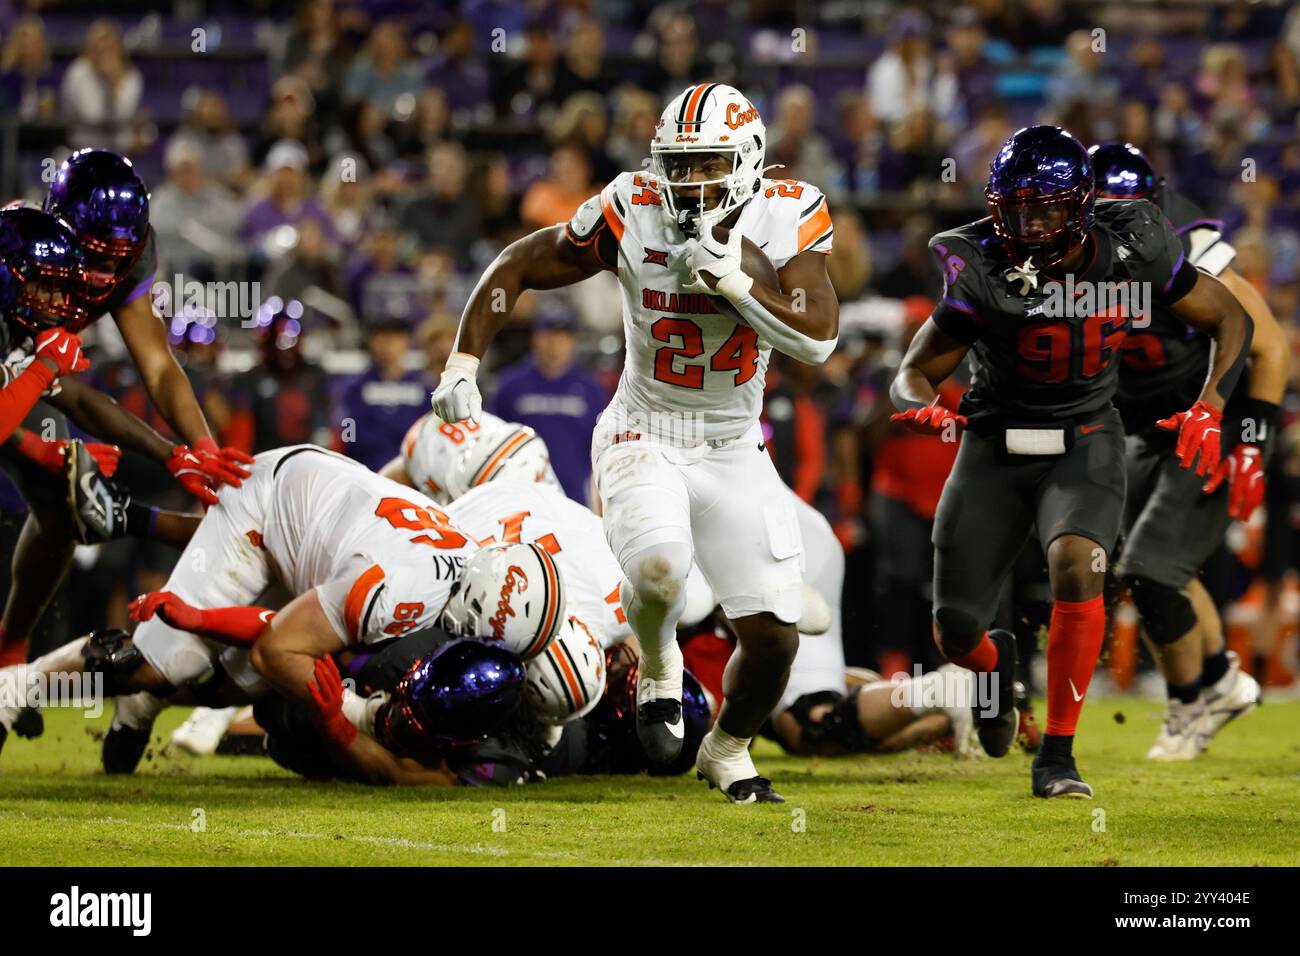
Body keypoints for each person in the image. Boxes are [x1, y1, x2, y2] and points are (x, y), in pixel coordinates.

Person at [432, 82, 839, 803]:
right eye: (677, 166)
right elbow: (522, 262)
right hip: (643, 429)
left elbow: (817, 335)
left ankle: (728, 750)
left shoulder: (788, 211)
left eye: (707, 164)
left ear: (746, 160)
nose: (689, 183)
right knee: (658, 570)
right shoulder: (634, 207)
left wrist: (739, 283)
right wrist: (465, 357)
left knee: (776, 638)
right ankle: (658, 659)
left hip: (733, 443)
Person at [890, 126, 1254, 798]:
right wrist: (922, 404)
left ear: (1081, 205)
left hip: (1086, 437)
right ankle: (999, 669)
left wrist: (1212, 406)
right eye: (1016, 209)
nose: (1029, 225)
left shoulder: (1134, 241)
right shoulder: (974, 259)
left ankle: (1058, 754)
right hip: (993, 443)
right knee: (955, 629)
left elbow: (1232, 318)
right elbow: (915, 368)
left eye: (1046, 208)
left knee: (1077, 565)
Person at [1091, 143, 1281, 759]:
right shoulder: (1070, 247)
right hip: (1148, 427)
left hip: (1211, 420)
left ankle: (1189, 706)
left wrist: (1252, 446)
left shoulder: (1190, 246)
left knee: (1149, 572)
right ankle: (1220, 680)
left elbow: (1268, 345)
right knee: (1148, 569)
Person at [488, 305, 605, 502]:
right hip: (520, 494)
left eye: (563, 336)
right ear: (535, 339)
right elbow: (493, 441)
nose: (555, 344)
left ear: (573, 342)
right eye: (549, 335)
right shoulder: (509, 386)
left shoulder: (591, 389)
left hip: (574, 497)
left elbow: (601, 446)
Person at [335, 316, 434, 472]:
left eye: (395, 337)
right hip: (367, 472)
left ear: (407, 342)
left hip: (413, 475)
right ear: (370, 342)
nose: (387, 344)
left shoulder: (425, 390)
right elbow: (348, 435)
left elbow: (431, 436)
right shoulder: (354, 390)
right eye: (380, 337)